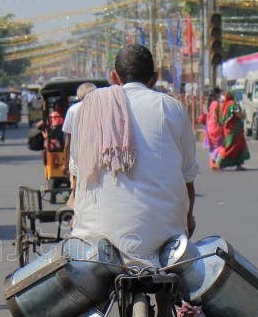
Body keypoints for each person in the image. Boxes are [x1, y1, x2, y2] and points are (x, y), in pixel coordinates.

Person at [69, 43, 198, 266]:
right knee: (172, 276)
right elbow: (188, 177)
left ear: (113, 77)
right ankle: (167, 300)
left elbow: (76, 173)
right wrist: (188, 219)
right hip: (163, 235)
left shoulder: (86, 108)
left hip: (97, 238)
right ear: (154, 79)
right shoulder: (172, 108)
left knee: (88, 288)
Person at [62, 82, 97, 204]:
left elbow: (68, 141)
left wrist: (65, 163)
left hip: (77, 161)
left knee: (77, 193)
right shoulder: (102, 109)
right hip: (99, 160)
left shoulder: (73, 110)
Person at [213, 90, 249, 171]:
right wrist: (243, 115)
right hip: (233, 130)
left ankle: (239, 164)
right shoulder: (233, 104)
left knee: (240, 146)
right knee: (231, 147)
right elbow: (238, 115)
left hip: (233, 130)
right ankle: (219, 163)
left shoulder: (226, 104)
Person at [205, 88, 224, 171]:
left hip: (209, 126)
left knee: (213, 146)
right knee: (220, 145)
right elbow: (215, 115)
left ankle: (212, 163)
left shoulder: (211, 103)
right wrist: (219, 124)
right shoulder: (216, 103)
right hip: (214, 126)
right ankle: (218, 162)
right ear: (217, 94)